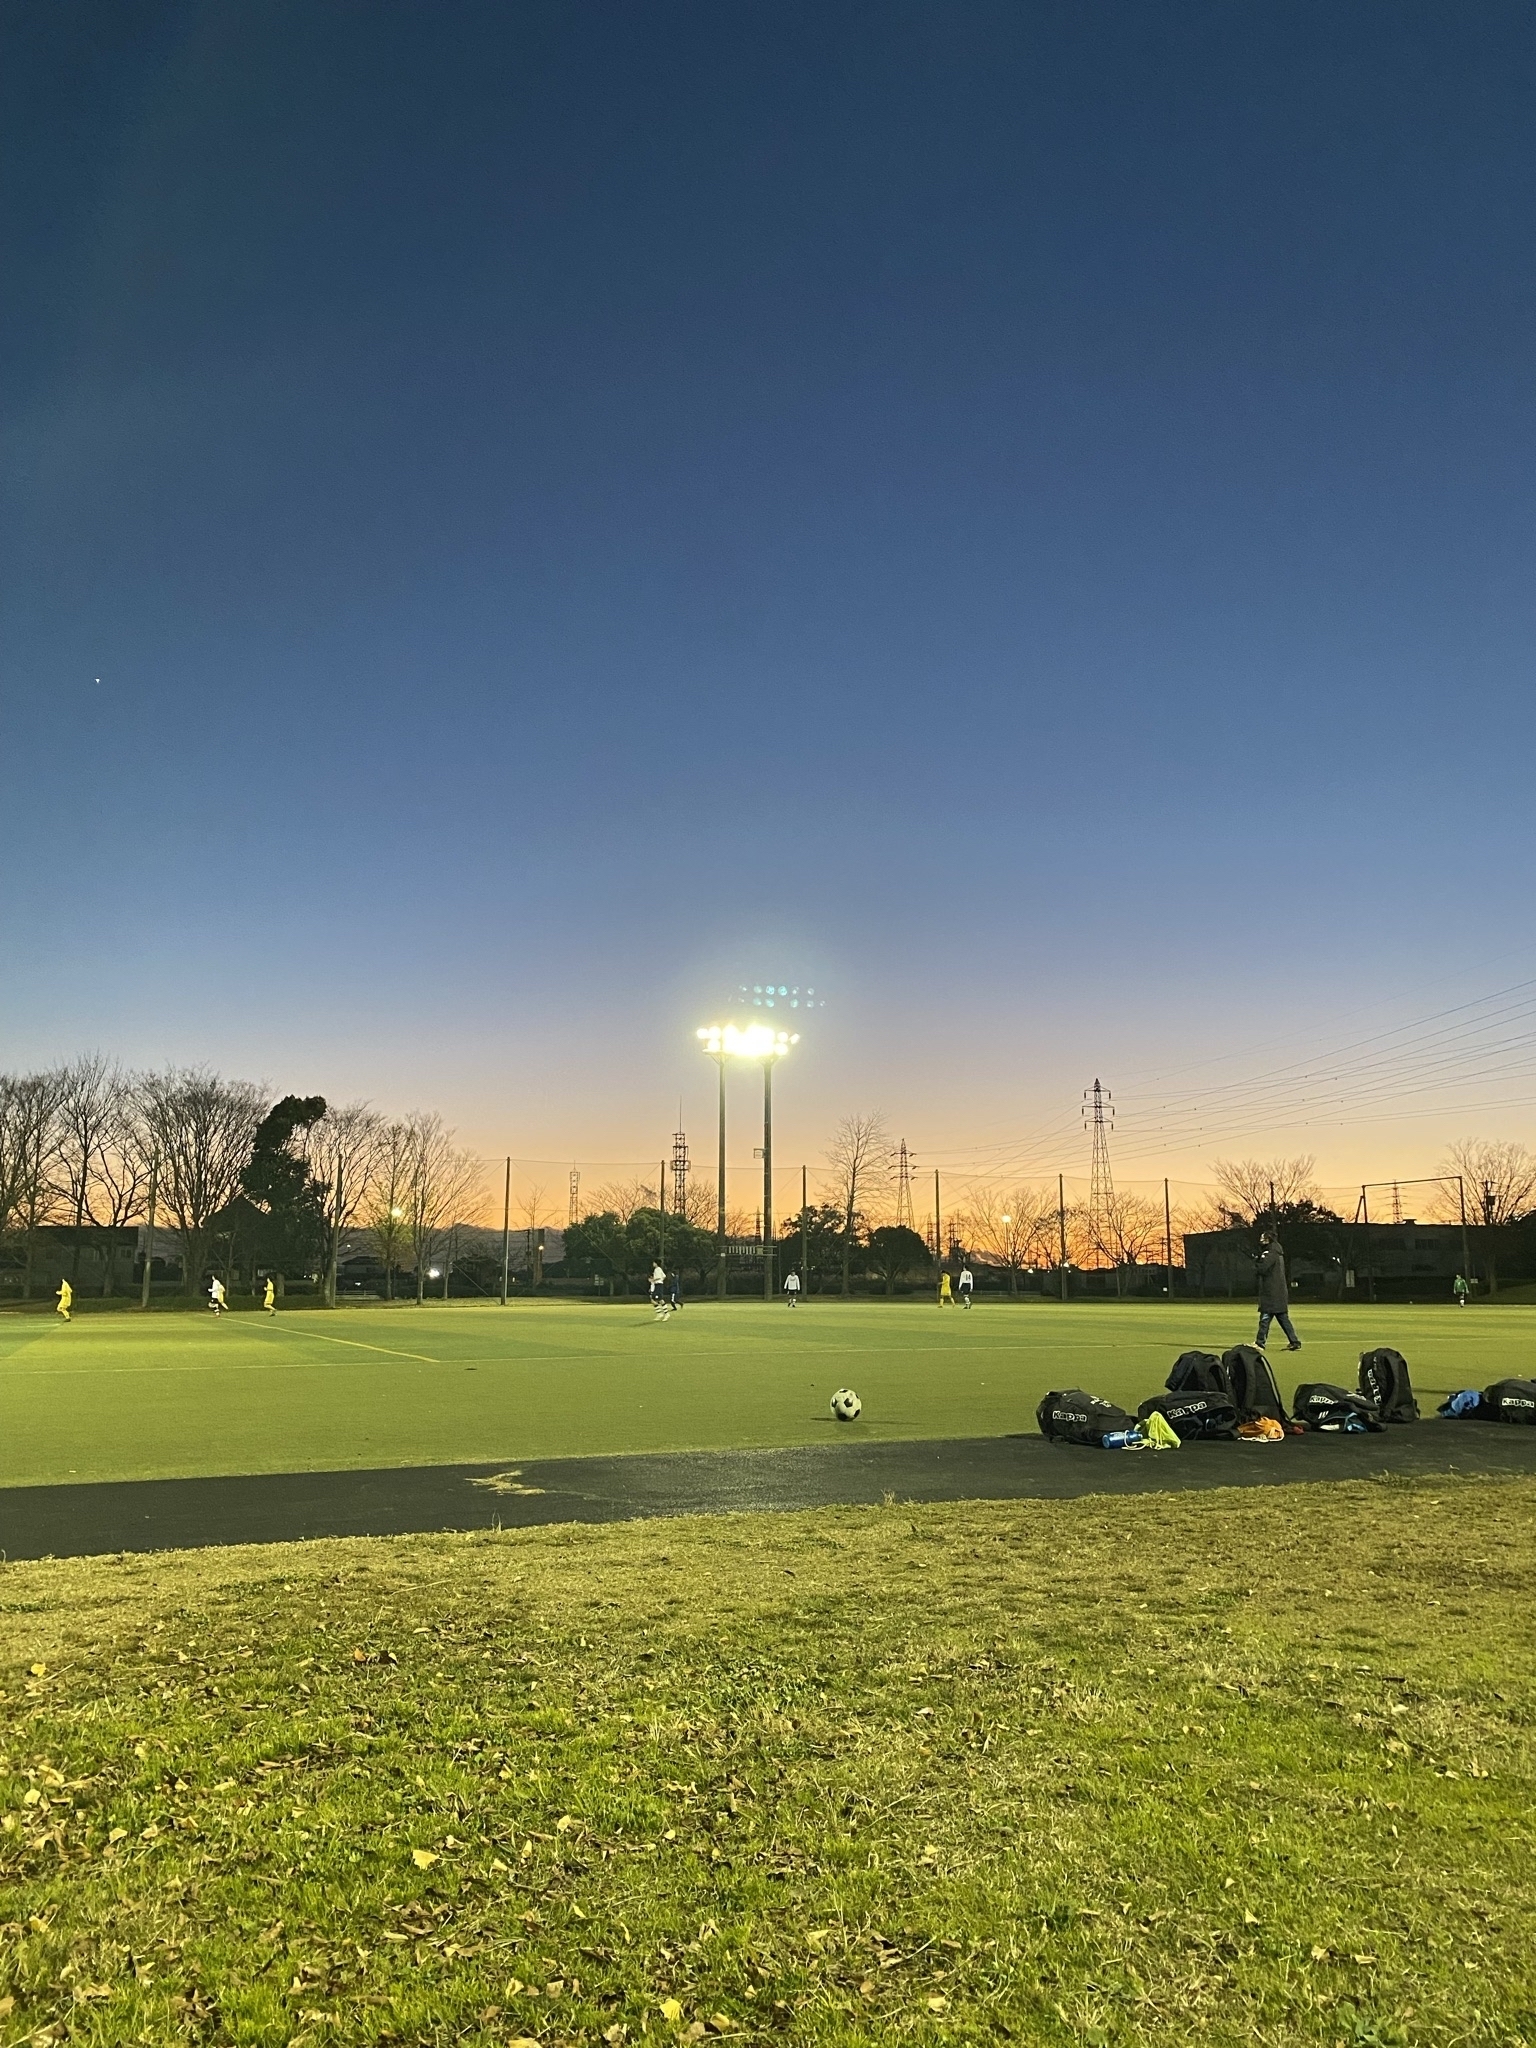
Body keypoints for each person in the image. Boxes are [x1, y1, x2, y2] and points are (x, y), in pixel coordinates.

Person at [1254, 1229, 1300, 1351]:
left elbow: (1262, 1269)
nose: (1261, 1240)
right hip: (1279, 1292)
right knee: (1283, 1319)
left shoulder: (1270, 1252)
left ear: (1268, 1239)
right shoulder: (1278, 1252)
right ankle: (1294, 1341)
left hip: (1271, 1292)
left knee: (1265, 1318)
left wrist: (1257, 1261)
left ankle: (1260, 1343)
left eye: (1263, 1238)